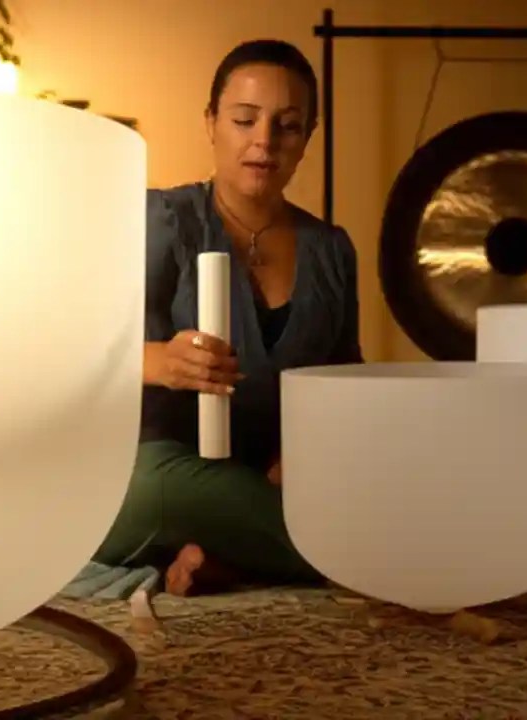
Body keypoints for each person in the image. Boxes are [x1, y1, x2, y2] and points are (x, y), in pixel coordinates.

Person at [91, 39, 363, 596]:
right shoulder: (161, 220)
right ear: (211, 123)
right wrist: (161, 361)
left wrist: (300, 454)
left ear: (309, 137)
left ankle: (229, 560)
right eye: (244, 119)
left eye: (287, 126)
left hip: (267, 482)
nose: (264, 141)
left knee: (393, 477)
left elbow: (344, 381)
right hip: (155, 472)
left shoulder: (331, 249)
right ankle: (357, 555)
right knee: (158, 490)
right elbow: (74, 353)